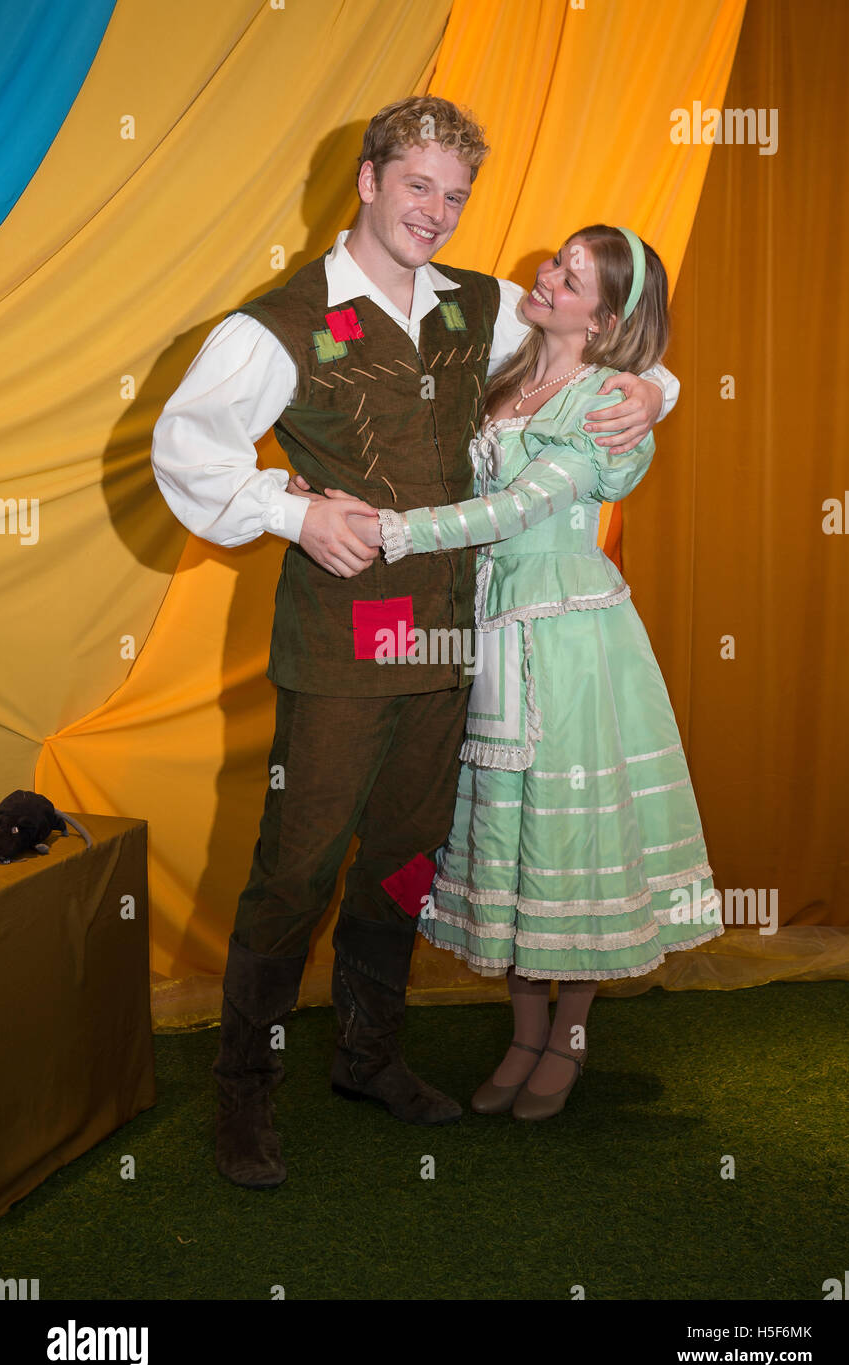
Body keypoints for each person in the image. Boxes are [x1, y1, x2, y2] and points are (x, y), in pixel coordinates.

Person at [150, 97, 680, 1189]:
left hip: (453, 641)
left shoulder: (478, 307)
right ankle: (243, 1093)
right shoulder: (275, 322)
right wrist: (295, 510)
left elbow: (602, 348)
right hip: (346, 639)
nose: (436, 213)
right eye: (417, 187)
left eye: (454, 194)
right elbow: (186, 449)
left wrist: (651, 388)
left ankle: (367, 1055)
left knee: (402, 860)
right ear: (368, 178)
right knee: (294, 874)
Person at [317, 224, 724, 1122]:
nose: (545, 276)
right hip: (490, 630)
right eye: (554, 261)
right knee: (510, 839)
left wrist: (386, 532)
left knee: (567, 843)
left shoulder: (606, 402)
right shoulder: (504, 369)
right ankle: (522, 1033)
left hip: (570, 638)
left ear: (605, 315)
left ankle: (565, 1043)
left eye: (571, 277)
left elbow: (511, 510)